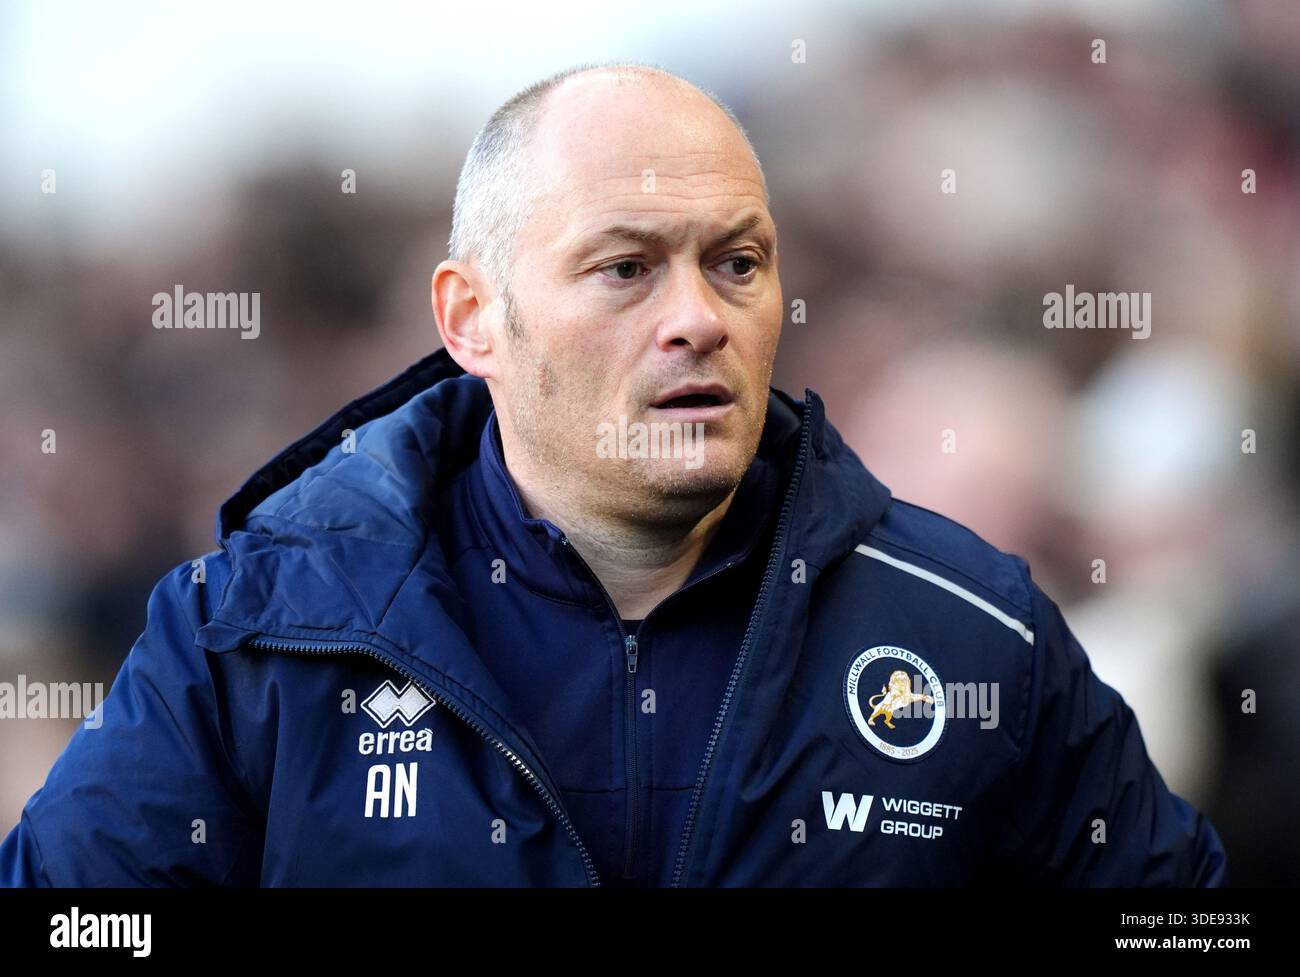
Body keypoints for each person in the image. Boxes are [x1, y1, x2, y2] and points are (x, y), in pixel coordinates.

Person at [0, 61, 1226, 887]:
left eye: (736, 263)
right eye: (625, 268)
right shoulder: (254, 638)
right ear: (472, 317)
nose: (697, 317)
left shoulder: (974, 633)